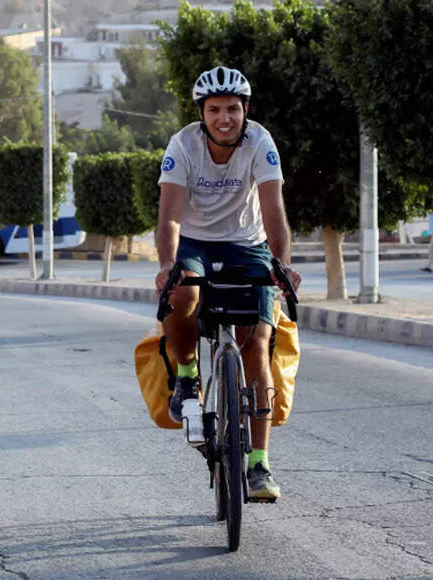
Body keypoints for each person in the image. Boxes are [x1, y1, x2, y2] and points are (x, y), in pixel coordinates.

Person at [155, 66, 301, 500]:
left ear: (245, 110)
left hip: (247, 243)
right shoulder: (183, 145)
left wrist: (282, 262)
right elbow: (170, 217)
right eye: (215, 110)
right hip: (196, 241)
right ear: (202, 113)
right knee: (182, 293)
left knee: (257, 344)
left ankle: (259, 464)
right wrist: (167, 263)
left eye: (233, 109)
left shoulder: (260, 141)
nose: (224, 118)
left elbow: (272, 206)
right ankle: (186, 375)